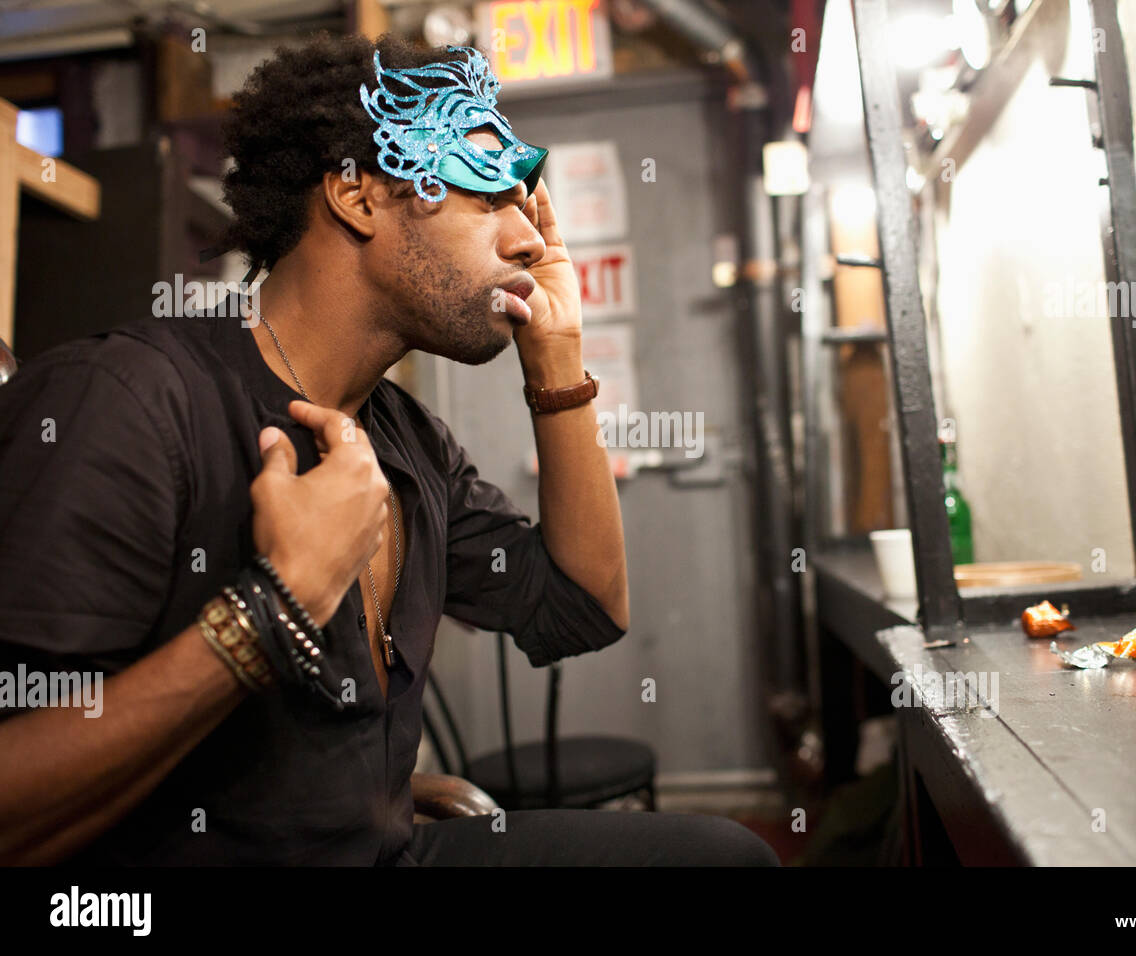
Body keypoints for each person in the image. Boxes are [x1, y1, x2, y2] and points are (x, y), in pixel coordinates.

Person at [0, 32, 779, 867]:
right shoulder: (126, 401)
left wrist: (557, 362)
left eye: (526, 203)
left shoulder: (408, 442)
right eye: (487, 193)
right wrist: (273, 610)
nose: (531, 242)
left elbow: (582, 609)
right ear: (356, 196)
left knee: (724, 859)